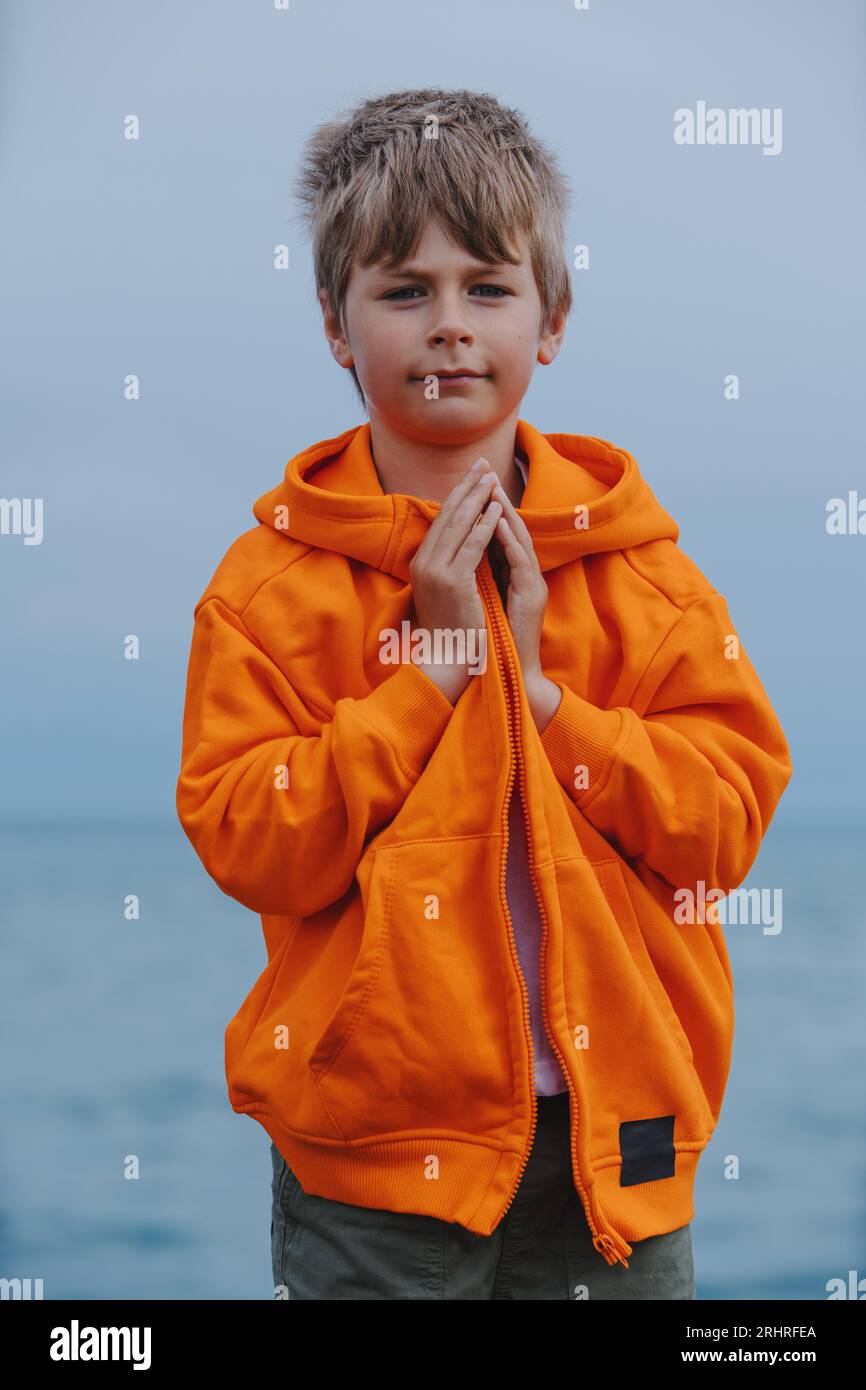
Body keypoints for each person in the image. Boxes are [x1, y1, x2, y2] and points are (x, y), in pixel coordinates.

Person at [175, 88, 792, 1300]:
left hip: (618, 1141)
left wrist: (544, 699)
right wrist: (434, 675)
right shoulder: (265, 589)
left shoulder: (646, 576)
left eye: (488, 288)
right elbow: (253, 843)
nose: (449, 326)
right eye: (405, 290)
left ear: (549, 320)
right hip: (375, 1161)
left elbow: (720, 829)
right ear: (335, 324)